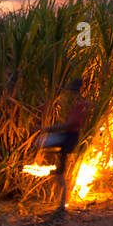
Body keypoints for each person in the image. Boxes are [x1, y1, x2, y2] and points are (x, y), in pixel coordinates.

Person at [38, 78, 88, 217]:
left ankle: (62, 205)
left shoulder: (79, 105)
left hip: (69, 138)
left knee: (60, 171)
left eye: (71, 91)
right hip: (69, 137)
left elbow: (69, 125)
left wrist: (47, 129)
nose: (69, 94)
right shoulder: (79, 104)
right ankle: (60, 202)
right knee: (59, 171)